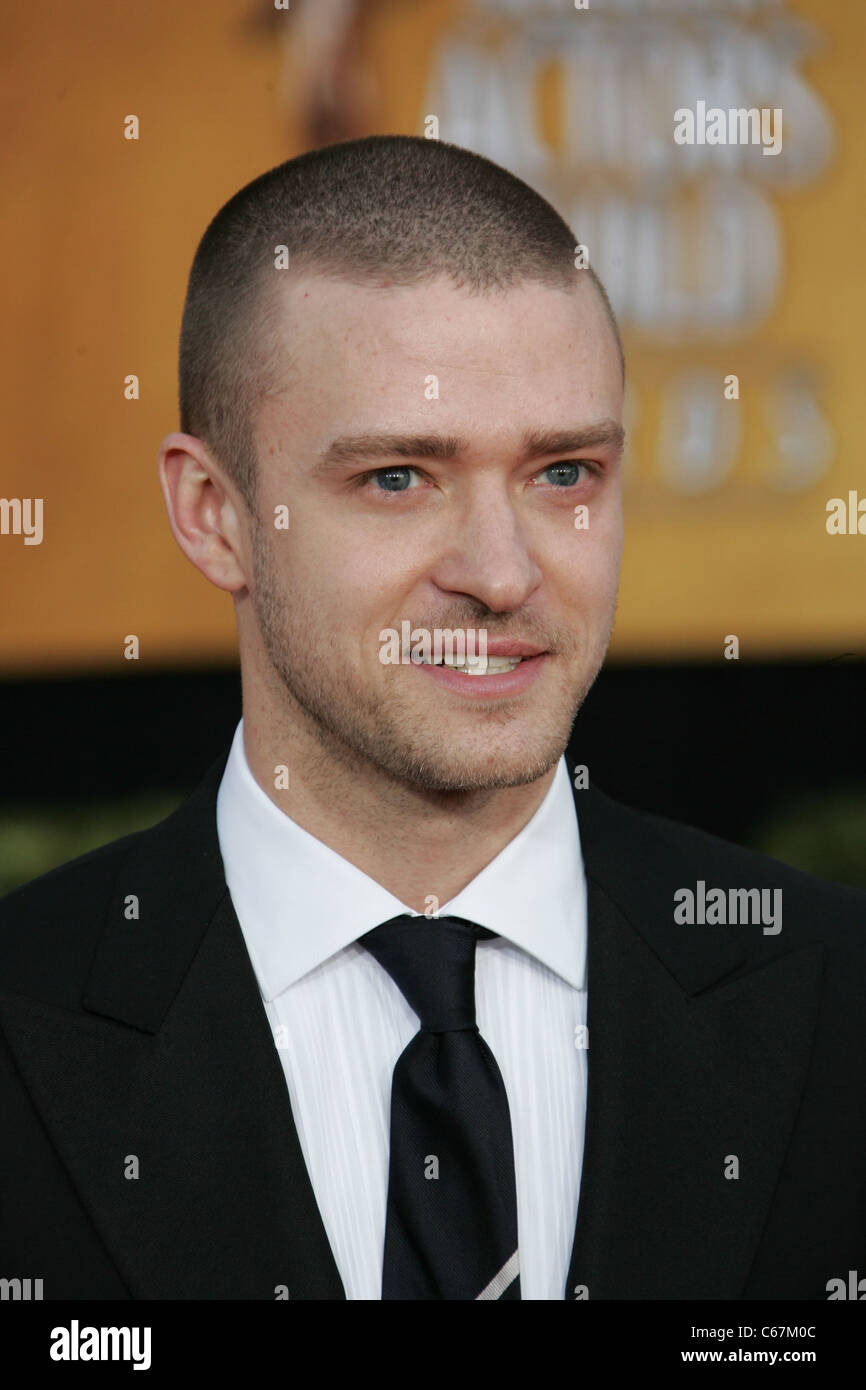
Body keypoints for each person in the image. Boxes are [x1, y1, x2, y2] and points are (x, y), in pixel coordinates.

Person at [1, 136, 864, 1302]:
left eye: (561, 473)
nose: (501, 574)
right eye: (398, 478)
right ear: (215, 515)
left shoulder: (833, 998)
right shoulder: (28, 1007)